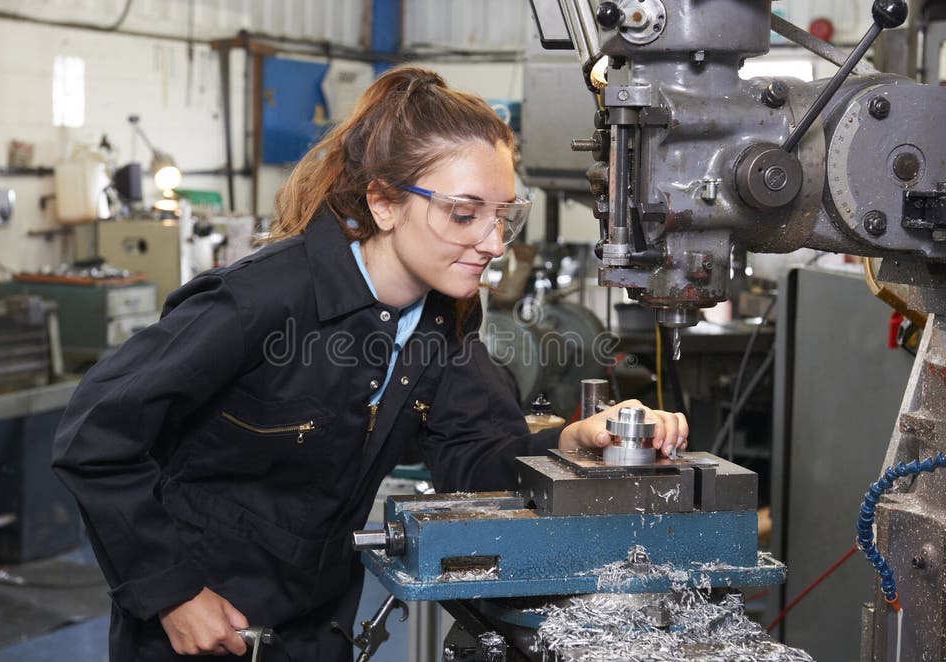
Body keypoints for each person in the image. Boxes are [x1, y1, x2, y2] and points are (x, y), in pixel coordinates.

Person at [51, 66, 688, 661]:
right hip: (201, 627)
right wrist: (172, 593)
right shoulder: (263, 300)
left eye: (504, 217)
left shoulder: (444, 318)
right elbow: (94, 434)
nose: (493, 244)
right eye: (465, 214)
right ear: (384, 203)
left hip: (318, 624)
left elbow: (475, 456)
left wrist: (567, 441)